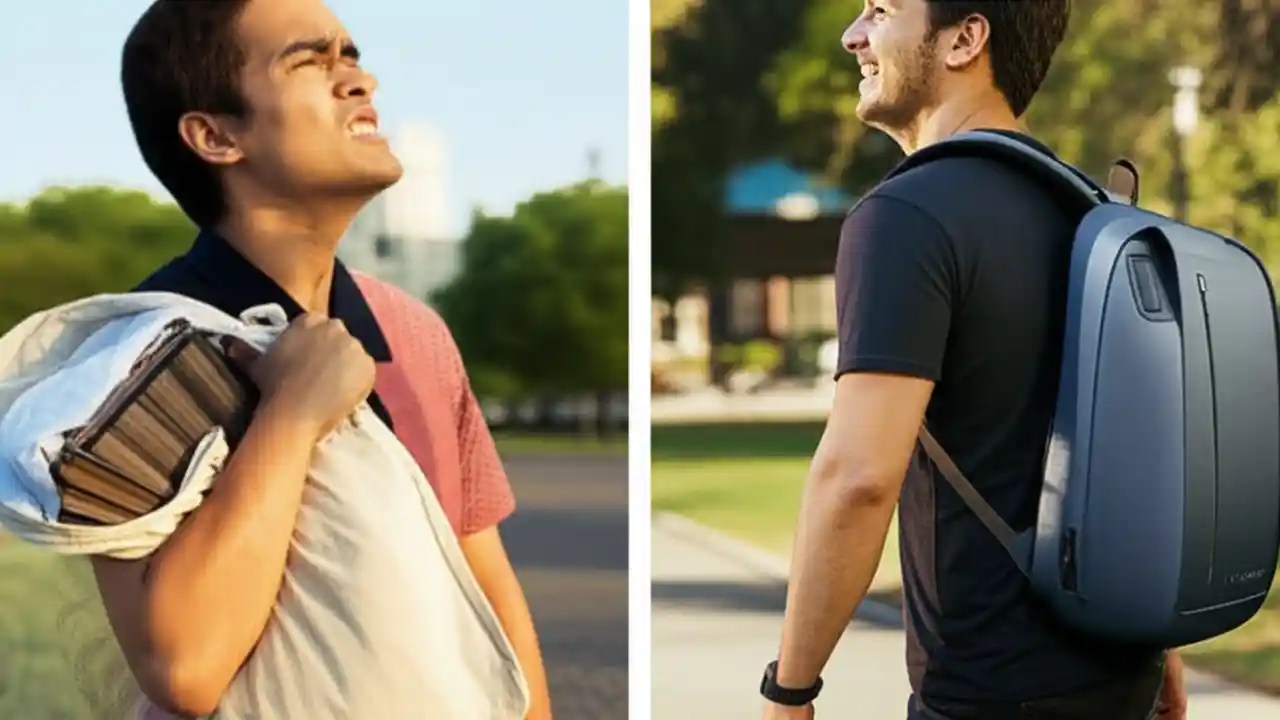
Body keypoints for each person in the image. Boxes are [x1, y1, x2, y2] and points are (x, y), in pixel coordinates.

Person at [92, 1, 552, 717]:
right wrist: (294, 412)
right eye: (310, 61)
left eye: (350, 55)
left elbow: (483, 579)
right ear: (214, 135)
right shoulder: (134, 356)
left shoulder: (415, 333)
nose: (359, 80)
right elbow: (185, 669)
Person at [760, 2, 1186, 719]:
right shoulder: (1091, 214)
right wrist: (1160, 649)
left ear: (965, 38)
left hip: (991, 694)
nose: (852, 35)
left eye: (881, 10)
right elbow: (1127, 463)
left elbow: (858, 478)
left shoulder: (905, 216)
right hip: (1120, 679)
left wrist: (789, 690)